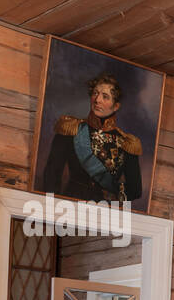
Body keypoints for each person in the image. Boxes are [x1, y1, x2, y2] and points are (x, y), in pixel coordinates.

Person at [41, 72, 143, 204]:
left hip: (104, 212)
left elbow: (135, 190)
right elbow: (52, 174)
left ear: (116, 106)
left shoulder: (127, 143)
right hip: (71, 205)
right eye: (95, 93)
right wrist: (52, 208)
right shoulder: (71, 129)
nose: (97, 100)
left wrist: (114, 197)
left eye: (105, 97)